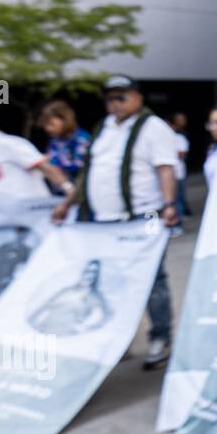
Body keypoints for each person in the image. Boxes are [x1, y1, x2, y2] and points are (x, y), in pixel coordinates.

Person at [48, 75, 180, 368]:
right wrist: (67, 203)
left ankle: (161, 336)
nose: (115, 103)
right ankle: (120, 338)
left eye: (122, 97)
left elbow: (165, 168)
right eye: (110, 98)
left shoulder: (153, 127)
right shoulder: (104, 127)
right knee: (113, 282)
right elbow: (89, 172)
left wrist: (170, 204)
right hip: (104, 220)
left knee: (152, 278)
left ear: (138, 98)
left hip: (144, 215)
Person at [39, 100, 91, 187]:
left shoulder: (81, 138)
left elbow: (80, 165)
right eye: (45, 125)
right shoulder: (54, 139)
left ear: (65, 120)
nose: (48, 129)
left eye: (51, 124)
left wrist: (49, 162)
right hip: (56, 189)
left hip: (76, 189)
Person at [169, 112, 191, 225]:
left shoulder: (180, 137)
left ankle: (180, 219)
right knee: (175, 198)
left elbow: (182, 153)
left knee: (178, 197)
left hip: (178, 172)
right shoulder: (165, 138)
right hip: (170, 174)